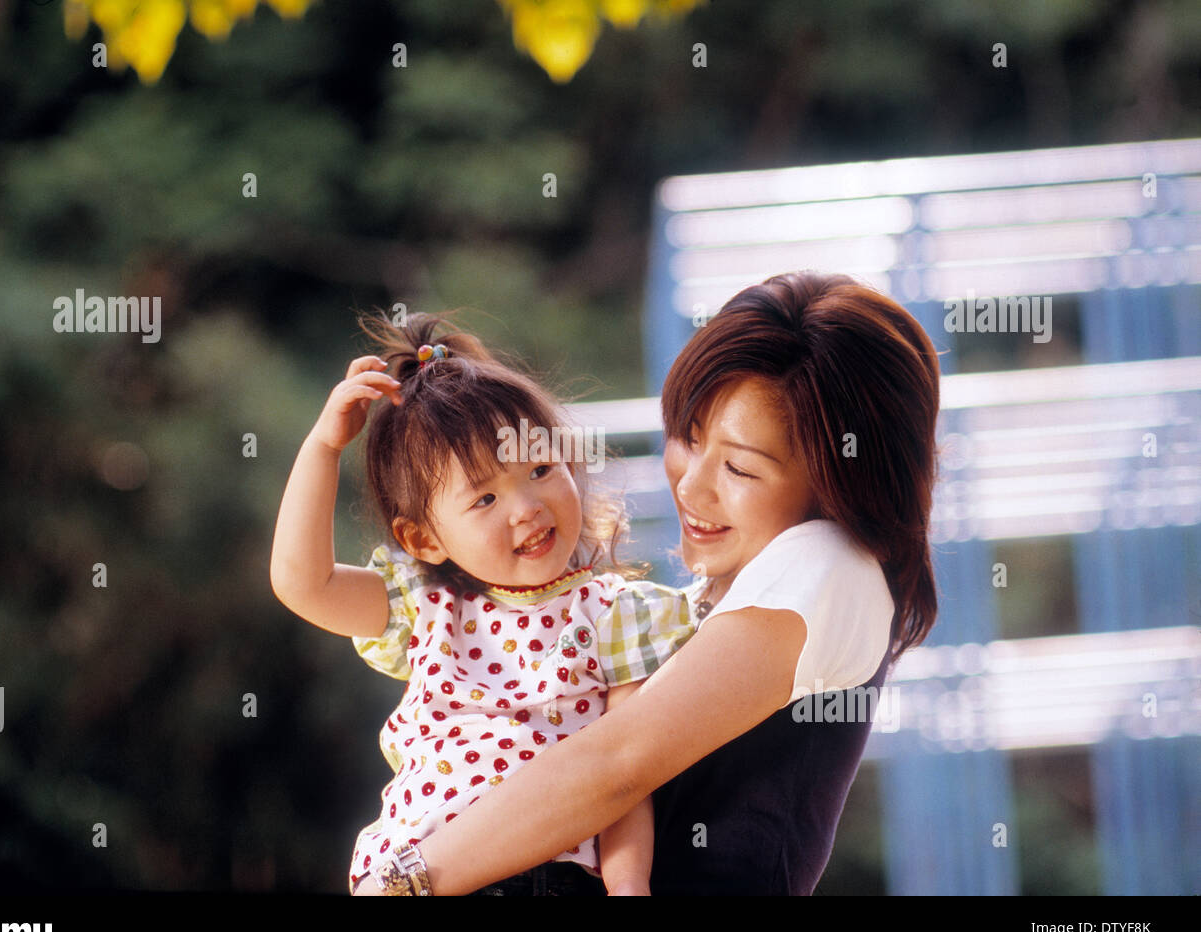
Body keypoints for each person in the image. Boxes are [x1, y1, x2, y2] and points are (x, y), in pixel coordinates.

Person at [352, 271, 940, 895]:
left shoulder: (828, 564)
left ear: (841, 479)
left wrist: (399, 882)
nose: (690, 486)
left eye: (739, 467)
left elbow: (614, 767)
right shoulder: (731, 594)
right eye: (688, 437)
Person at [269, 311, 695, 896]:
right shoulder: (423, 604)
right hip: (414, 864)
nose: (526, 507)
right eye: (486, 498)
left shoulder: (614, 612)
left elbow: (627, 772)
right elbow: (302, 583)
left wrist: (628, 889)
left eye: (541, 469)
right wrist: (323, 447)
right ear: (424, 539)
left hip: (545, 872)